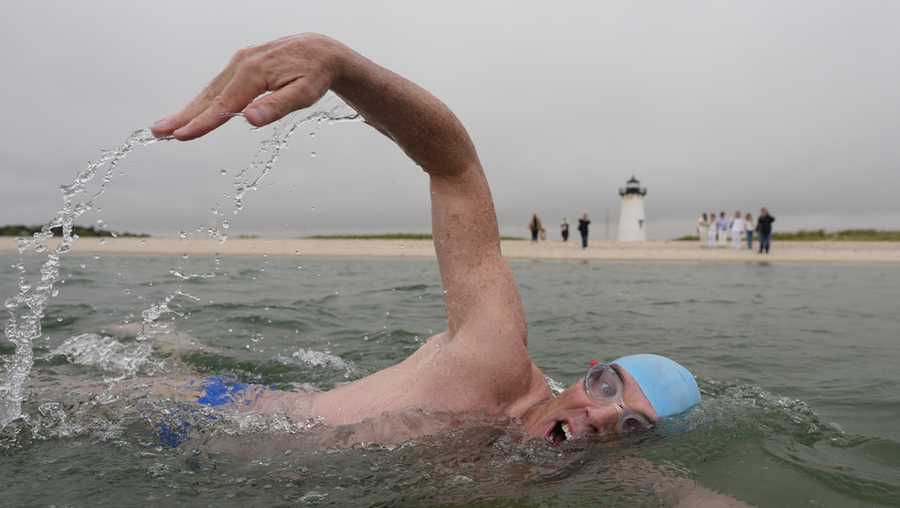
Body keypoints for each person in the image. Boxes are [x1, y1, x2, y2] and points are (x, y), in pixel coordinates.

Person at [150, 33, 701, 446]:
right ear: (590, 370)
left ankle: (178, 350)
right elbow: (455, 169)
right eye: (609, 387)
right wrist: (341, 66)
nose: (604, 415)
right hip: (208, 416)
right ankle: (170, 355)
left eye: (632, 426)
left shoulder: (578, 472)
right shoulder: (493, 362)